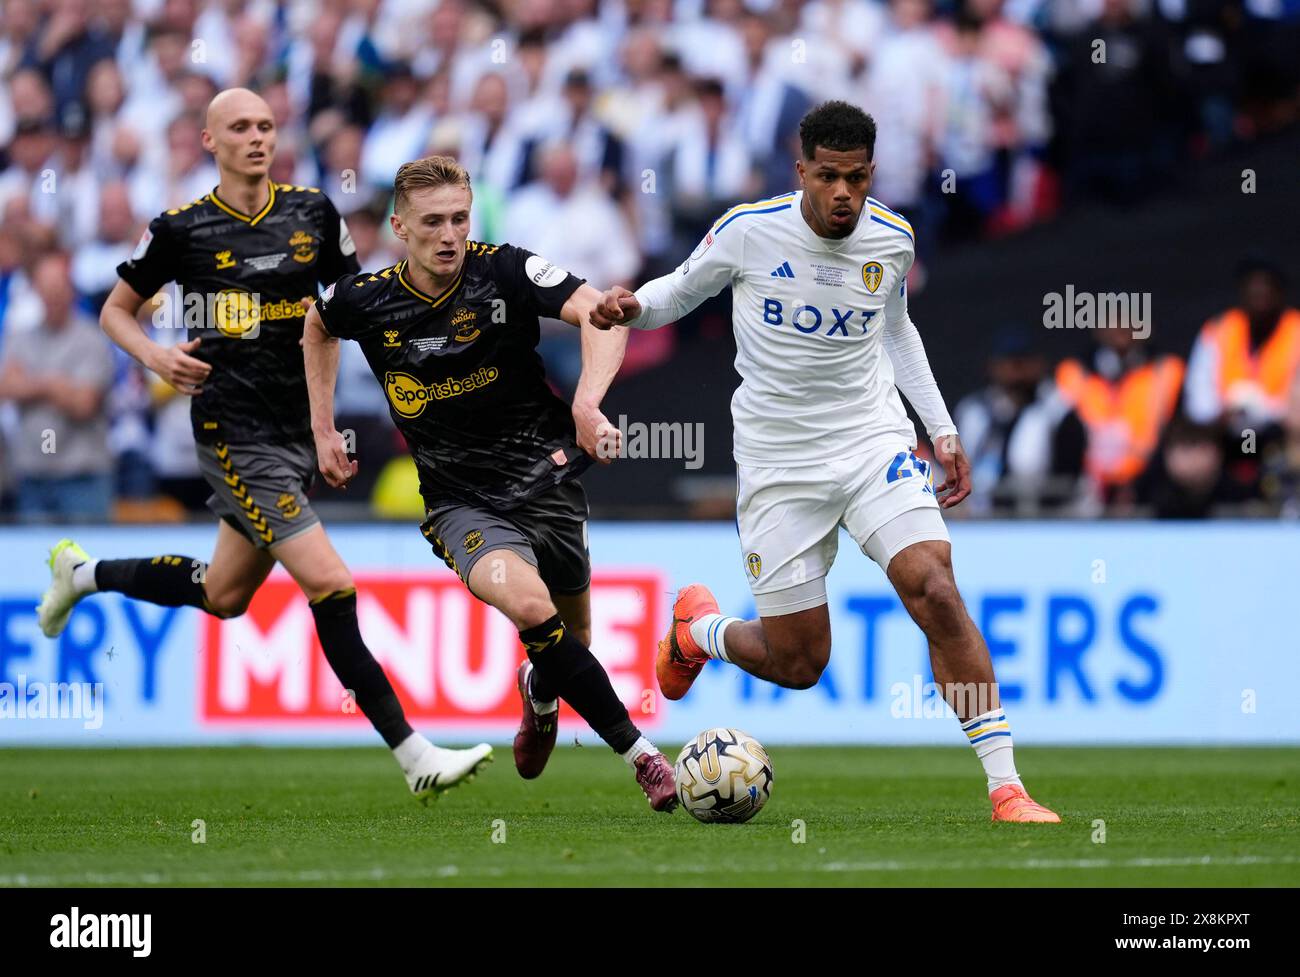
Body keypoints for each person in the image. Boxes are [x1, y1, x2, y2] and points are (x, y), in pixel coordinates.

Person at [591, 101, 1059, 823]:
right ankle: (698, 632)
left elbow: (897, 330)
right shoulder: (750, 231)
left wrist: (942, 430)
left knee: (934, 586)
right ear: (801, 169)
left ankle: (1007, 787)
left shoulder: (893, 239)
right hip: (779, 465)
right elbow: (678, 291)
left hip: (873, 440)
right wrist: (631, 307)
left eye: (858, 178)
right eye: (830, 177)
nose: (844, 193)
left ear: (872, 174)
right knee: (799, 662)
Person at [36, 87, 489, 802]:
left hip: (293, 435)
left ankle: (82, 574)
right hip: (231, 433)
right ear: (210, 141)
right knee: (333, 584)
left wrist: (323, 424)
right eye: (240, 127)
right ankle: (414, 753)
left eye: (266, 125)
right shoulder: (179, 229)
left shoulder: (314, 213)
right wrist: (155, 357)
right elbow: (115, 312)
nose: (256, 137)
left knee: (225, 595)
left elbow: (342, 321)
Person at [303, 155, 678, 813]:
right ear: (398, 226)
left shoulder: (503, 269)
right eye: (432, 222)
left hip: (550, 477)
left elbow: (598, 313)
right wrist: (322, 427)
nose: (449, 235)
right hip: (461, 501)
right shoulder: (367, 299)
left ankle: (538, 687)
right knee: (532, 609)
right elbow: (317, 326)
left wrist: (588, 403)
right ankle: (643, 755)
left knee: (571, 643)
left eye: (458, 219)